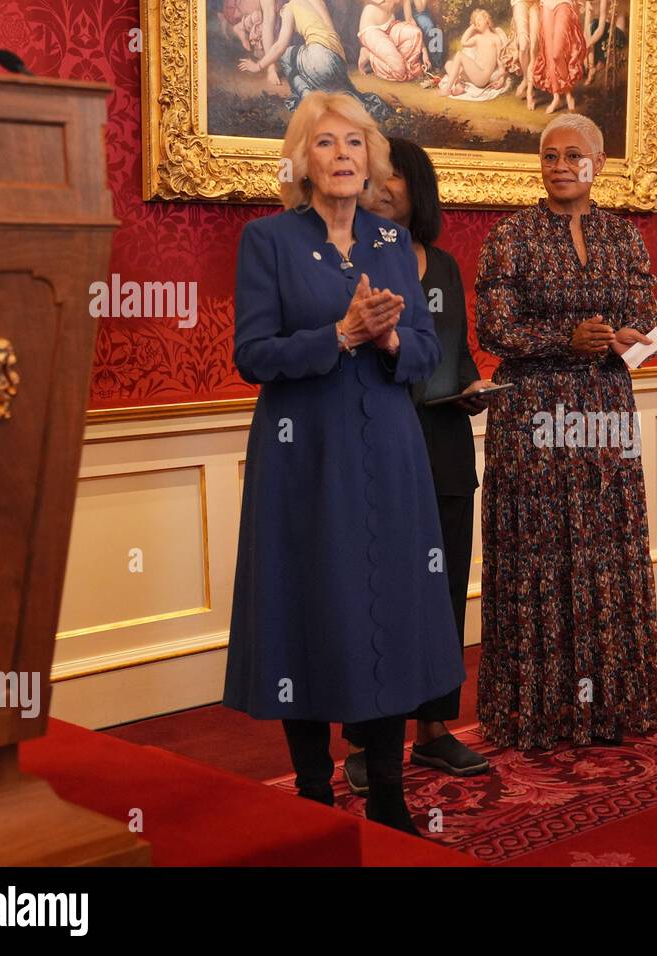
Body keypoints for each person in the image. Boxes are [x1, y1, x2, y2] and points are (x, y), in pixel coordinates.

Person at [222, 91, 464, 835]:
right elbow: (252, 356)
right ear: (302, 160)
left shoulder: (394, 245)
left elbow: (427, 352)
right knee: (306, 604)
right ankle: (313, 791)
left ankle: (388, 794)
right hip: (304, 456)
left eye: (355, 144)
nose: (343, 157)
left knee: (390, 602)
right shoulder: (267, 241)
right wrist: (341, 332)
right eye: (326, 144)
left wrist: (390, 341)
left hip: (391, 454)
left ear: (372, 160)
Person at [475, 112, 657, 750]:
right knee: (541, 554)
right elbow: (494, 331)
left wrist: (630, 338)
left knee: (604, 552)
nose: (559, 165)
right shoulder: (511, 237)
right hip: (532, 417)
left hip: (606, 411)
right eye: (549, 155)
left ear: (598, 166)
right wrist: (565, 338)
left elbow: (647, 318)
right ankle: (537, 712)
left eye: (573, 155)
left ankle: (612, 707)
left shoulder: (625, 238)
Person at [344, 138, 494, 787]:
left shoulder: (446, 267)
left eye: (393, 175)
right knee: (378, 598)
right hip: (381, 453)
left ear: (417, 188)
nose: (381, 184)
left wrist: (471, 391)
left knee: (442, 594)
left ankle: (435, 731)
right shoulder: (352, 261)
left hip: (445, 453)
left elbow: (455, 355)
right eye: (374, 176)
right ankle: (364, 745)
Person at [237, 0, 390, 119]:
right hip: (337, 60)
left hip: (317, 56)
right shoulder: (312, 3)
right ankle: (315, 86)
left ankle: (306, 95)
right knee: (339, 90)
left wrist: (259, 66)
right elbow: (331, 32)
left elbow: (280, 46)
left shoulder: (289, 8)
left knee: (285, 55)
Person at [532, 0, 587, 113]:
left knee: (557, 53)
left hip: (564, 3)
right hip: (546, 4)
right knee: (549, 52)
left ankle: (567, 92)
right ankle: (556, 97)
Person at [356, 0, 427, 83]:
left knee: (415, 33)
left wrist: (424, 50)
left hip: (390, 25)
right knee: (399, 71)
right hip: (371, 29)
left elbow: (410, 20)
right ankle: (368, 54)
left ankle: (399, 63)